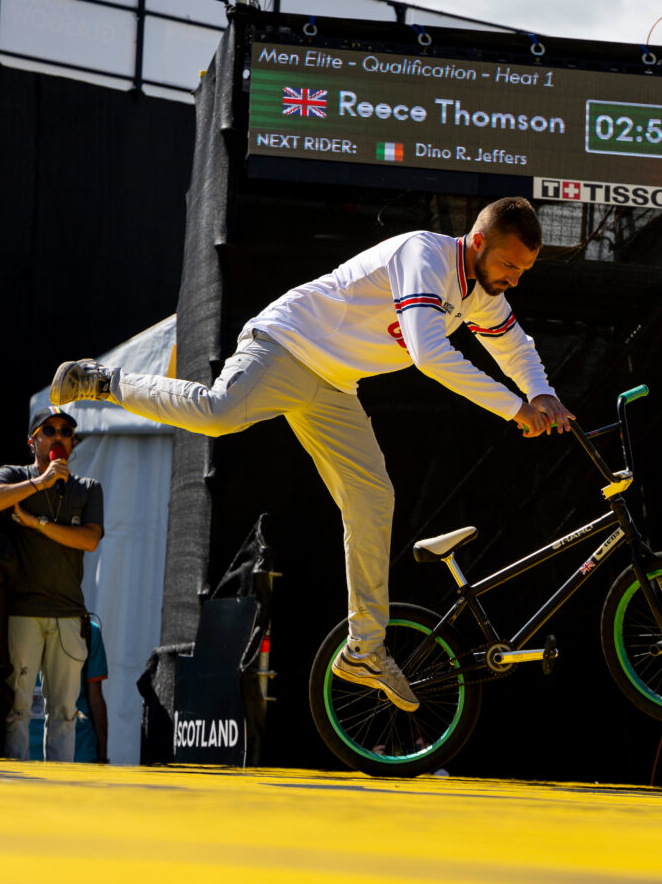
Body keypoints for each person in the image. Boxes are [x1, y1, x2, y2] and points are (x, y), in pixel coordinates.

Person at [50, 196, 573, 711]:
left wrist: (542, 391)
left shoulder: (480, 291)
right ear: (477, 242)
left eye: (524, 270)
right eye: (509, 264)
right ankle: (102, 381)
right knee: (219, 412)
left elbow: (514, 346)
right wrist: (515, 408)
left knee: (373, 496)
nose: (514, 278)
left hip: (334, 385)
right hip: (286, 343)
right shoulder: (425, 256)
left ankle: (365, 648)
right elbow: (430, 354)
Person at [0, 406, 104, 761]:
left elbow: (90, 540)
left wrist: (38, 524)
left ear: (73, 442)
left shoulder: (88, 488)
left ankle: (57, 791)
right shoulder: (15, 475)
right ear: (33, 441)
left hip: (68, 613)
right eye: (50, 430)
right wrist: (40, 482)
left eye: (66, 431)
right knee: (17, 709)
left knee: (64, 713)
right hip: (22, 612)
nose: (59, 436)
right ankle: (18, 789)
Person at [27, 615, 109, 763]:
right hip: (27, 760)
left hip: (78, 757)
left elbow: (96, 701)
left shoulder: (88, 631)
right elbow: (96, 700)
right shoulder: (14, 627)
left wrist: (101, 759)